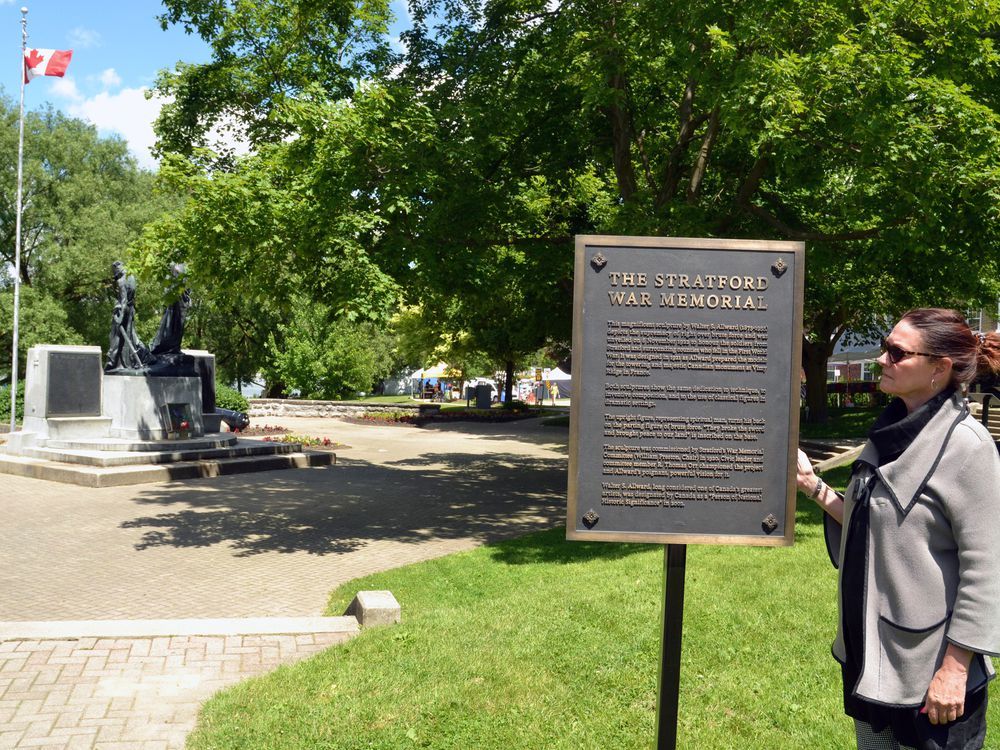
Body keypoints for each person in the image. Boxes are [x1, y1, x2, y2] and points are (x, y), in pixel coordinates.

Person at [797, 308, 1000, 750]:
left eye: (897, 352)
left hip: (929, 675)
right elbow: (872, 523)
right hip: (871, 656)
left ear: (939, 369)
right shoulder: (888, 431)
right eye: (886, 348)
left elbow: (987, 569)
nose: (881, 359)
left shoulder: (969, 447)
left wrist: (955, 669)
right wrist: (813, 487)